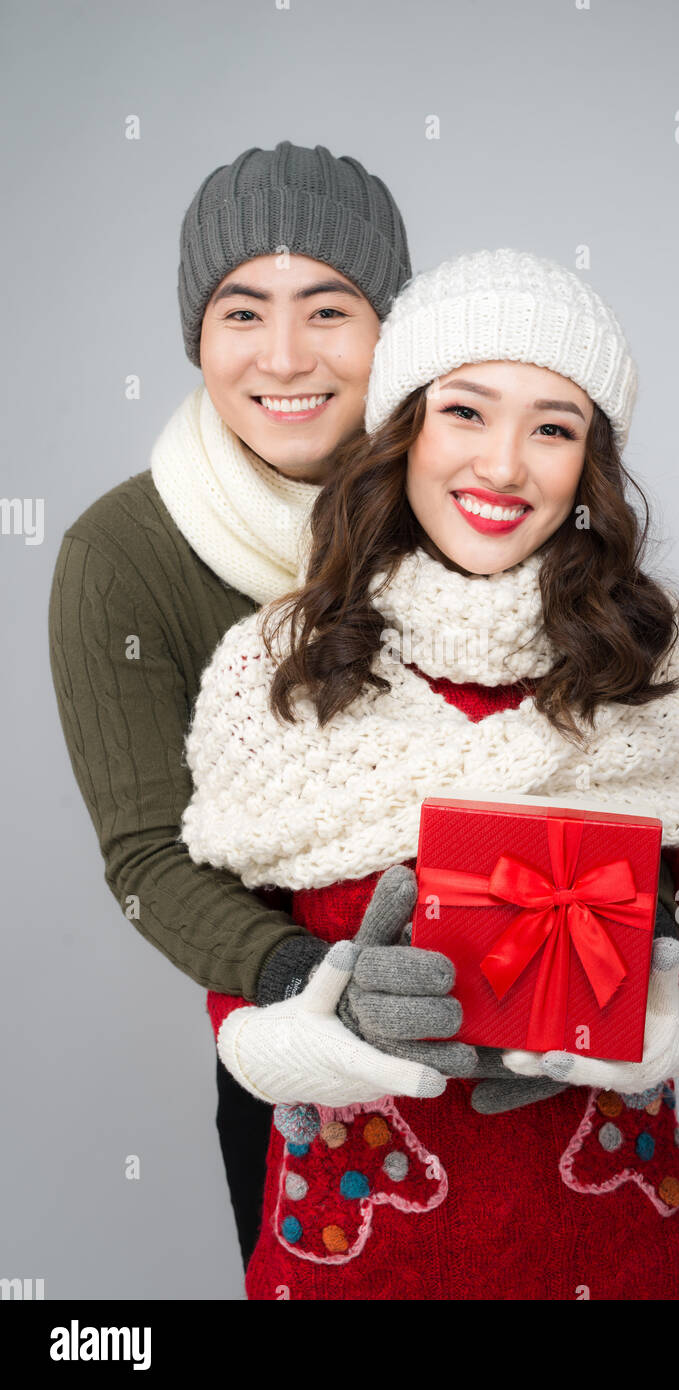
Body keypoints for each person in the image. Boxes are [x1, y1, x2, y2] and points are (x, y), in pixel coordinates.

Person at [181, 248, 679, 1300]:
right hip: (352, 1244)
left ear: (588, 465)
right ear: (403, 428)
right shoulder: (275, 664)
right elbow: (226, 939)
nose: (504, 465)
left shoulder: (649, 660)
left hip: (606, 1245)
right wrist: (285, 1044)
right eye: (466, 412)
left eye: (552, 427)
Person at [47, 138, 416, 1271]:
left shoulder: (470, 496)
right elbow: (151, 859)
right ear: (197, 338)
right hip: (298, 1051)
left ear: (392, 328)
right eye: (242, 311)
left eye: (331, 308)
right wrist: (319, 988)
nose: (286, 356)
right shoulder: (124, 553)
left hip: (525, 1030)